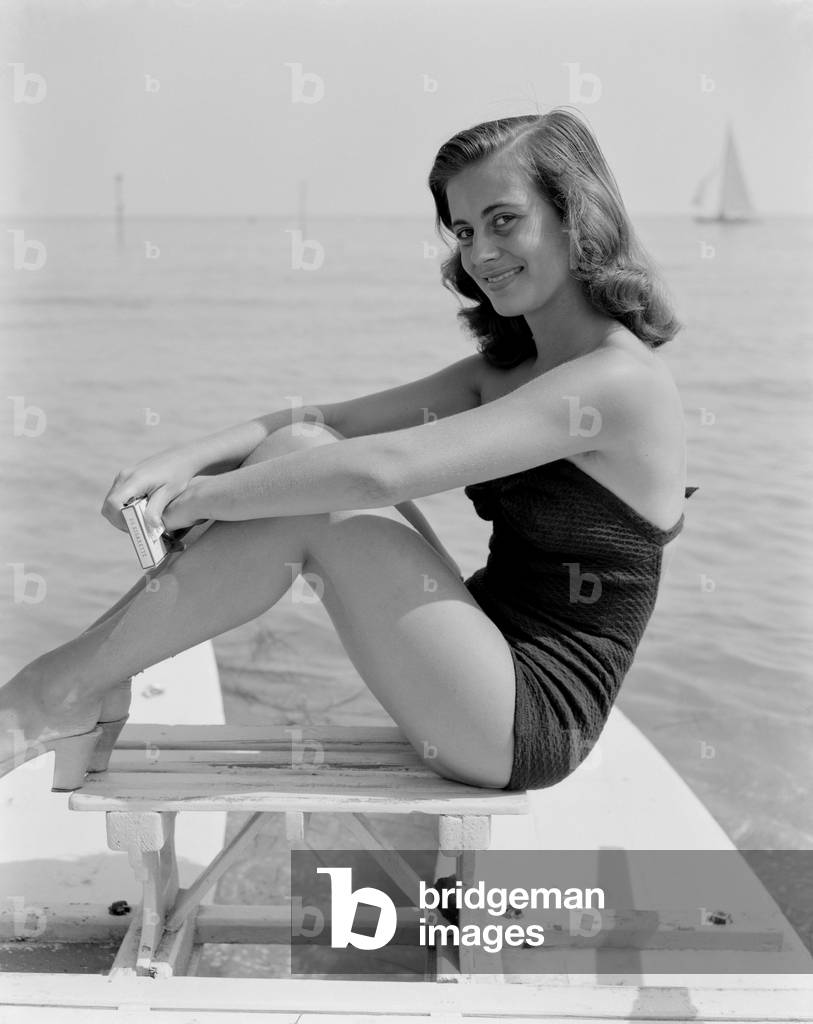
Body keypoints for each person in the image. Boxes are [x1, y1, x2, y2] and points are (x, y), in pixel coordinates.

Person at [0, 107, 697, 794]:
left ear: (575, 212)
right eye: (462, 229)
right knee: (300, 449)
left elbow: (378, 473)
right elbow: (327, 421)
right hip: (480, 657)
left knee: (319, 500)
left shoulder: (617, 381)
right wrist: (182, 460)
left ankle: (52, 693)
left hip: (527, 722)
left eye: (503, 219)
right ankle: (78, 684)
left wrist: (199, 501)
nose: (479, 252)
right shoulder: (510, 369)